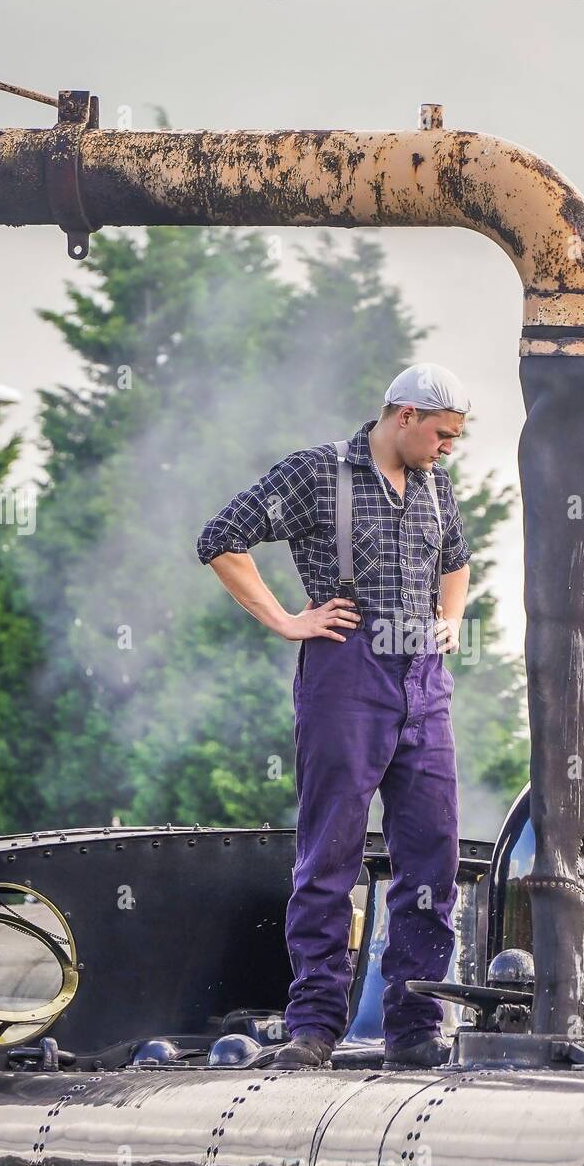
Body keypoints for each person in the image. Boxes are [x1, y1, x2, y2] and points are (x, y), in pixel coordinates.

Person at [196, 362, 472, 1068]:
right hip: (346, 673)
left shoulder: (437, 484)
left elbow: (457, 560)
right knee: (330, 856)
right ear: (403, 415)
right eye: (441, 434)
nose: (448, 448)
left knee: (432, 858)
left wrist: (451, 617)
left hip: (424, 681)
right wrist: (287, 619)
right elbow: (220, 539)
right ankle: (314, 1026)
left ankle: (415, 1027)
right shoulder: (318, 472)